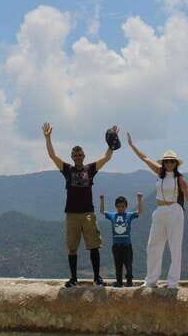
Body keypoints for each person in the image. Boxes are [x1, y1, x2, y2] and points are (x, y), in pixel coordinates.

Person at [126, 132, 188, 289]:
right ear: (163, 163)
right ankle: (151, 281)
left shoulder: (179, 178)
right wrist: (132, 146)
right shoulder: (159, 172)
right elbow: (145, 158)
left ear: (176, 163)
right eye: (167, 161)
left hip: (174, 210)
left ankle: (172, 282)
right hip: (159, 211)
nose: (169, 163)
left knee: (175, 246)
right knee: (153, 245)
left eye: (172, 161)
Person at [43, 122, 119, 288]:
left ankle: (97, 278)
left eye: (80, 155)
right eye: (75, 155)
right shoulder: (67, 170)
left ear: (84, 156)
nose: (77, 157)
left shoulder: (90, 169)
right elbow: (52, 155)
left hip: (88, 213)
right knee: (72, 248)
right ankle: (73, 279)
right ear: (72, 157)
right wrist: (48, 138)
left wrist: (112, 142)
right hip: (71, 214)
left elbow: (106, 158)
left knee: (94, 246)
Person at [99, 192, 142, 287]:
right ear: (116, 207)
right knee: (118, 265)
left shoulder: (129, 215)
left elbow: (139, 211)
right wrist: (102, 200)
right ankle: (119, 282)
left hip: (127, 246)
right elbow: (102, 211)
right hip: (116, 246)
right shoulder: (112, 215)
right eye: (118, 206)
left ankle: (129, 282)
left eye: (122, 206)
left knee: (128, 265)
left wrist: (139, 199)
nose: (120, 208)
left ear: (126, 207)